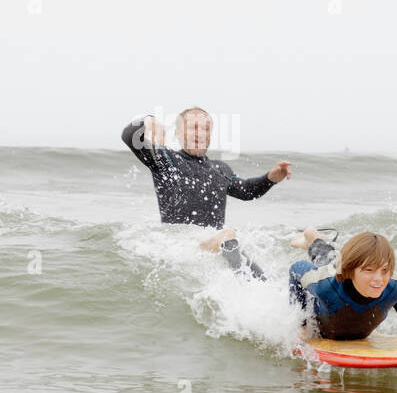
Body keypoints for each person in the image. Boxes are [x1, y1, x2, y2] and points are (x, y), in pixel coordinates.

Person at [121, 107, 292, 278]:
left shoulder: (220, 169)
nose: (200, 133)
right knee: (229, 237)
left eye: (205, 129)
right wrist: (147, 120)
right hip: (181, 247)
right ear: (178, 133)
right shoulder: (166, 160)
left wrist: (270, 178)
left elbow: (246, 191)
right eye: (193, 127)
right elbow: (129, 136)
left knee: (239, 251)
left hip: (217, 246)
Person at [287, 227, 397, 341]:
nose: (379, 279)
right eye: (369, 270)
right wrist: (301, 325)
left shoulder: (394, 284)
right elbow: (296, 268)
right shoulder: (324, 286)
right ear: (350, 271)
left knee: (335, 256)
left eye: (385, 270)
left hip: (349, 265)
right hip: (332, 268)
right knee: (324, 256)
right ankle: (312, 237)